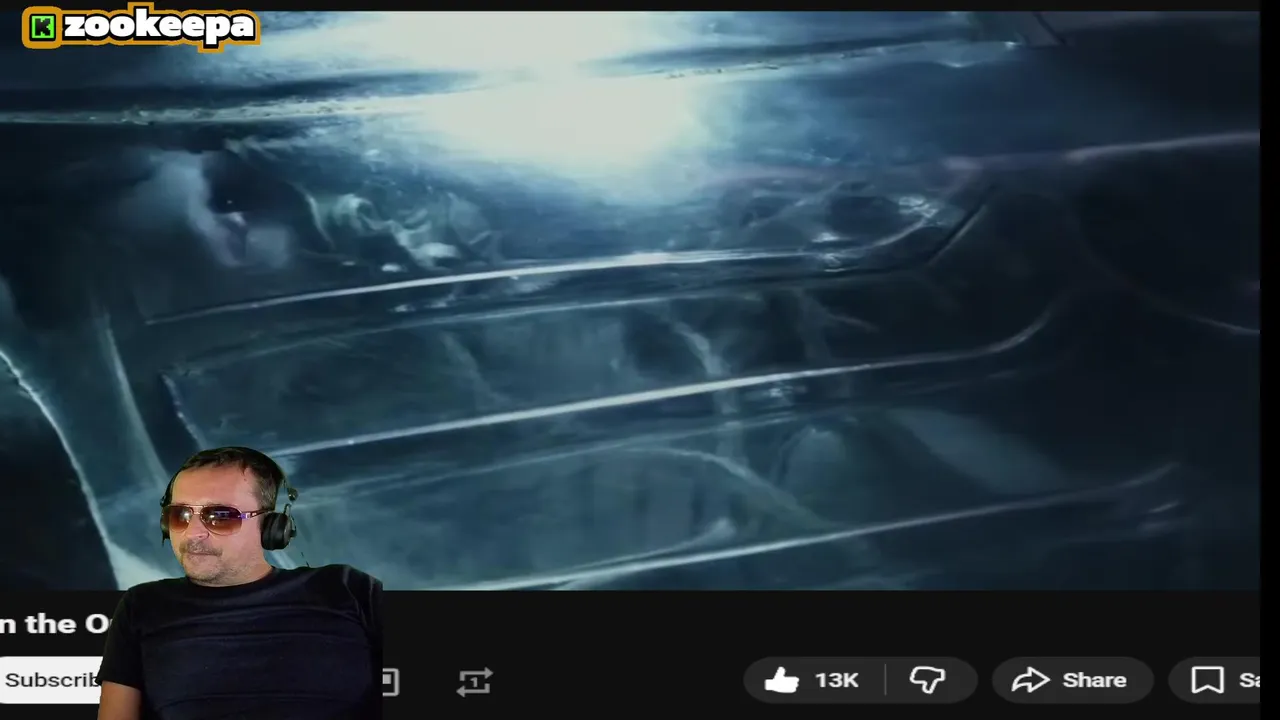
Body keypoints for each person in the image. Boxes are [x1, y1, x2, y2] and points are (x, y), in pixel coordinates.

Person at [96, 446, 382, 720]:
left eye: (220, 517)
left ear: (271, 526)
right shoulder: (143, 606)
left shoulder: (347, 589)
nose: (193, 533)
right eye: (180, 515)